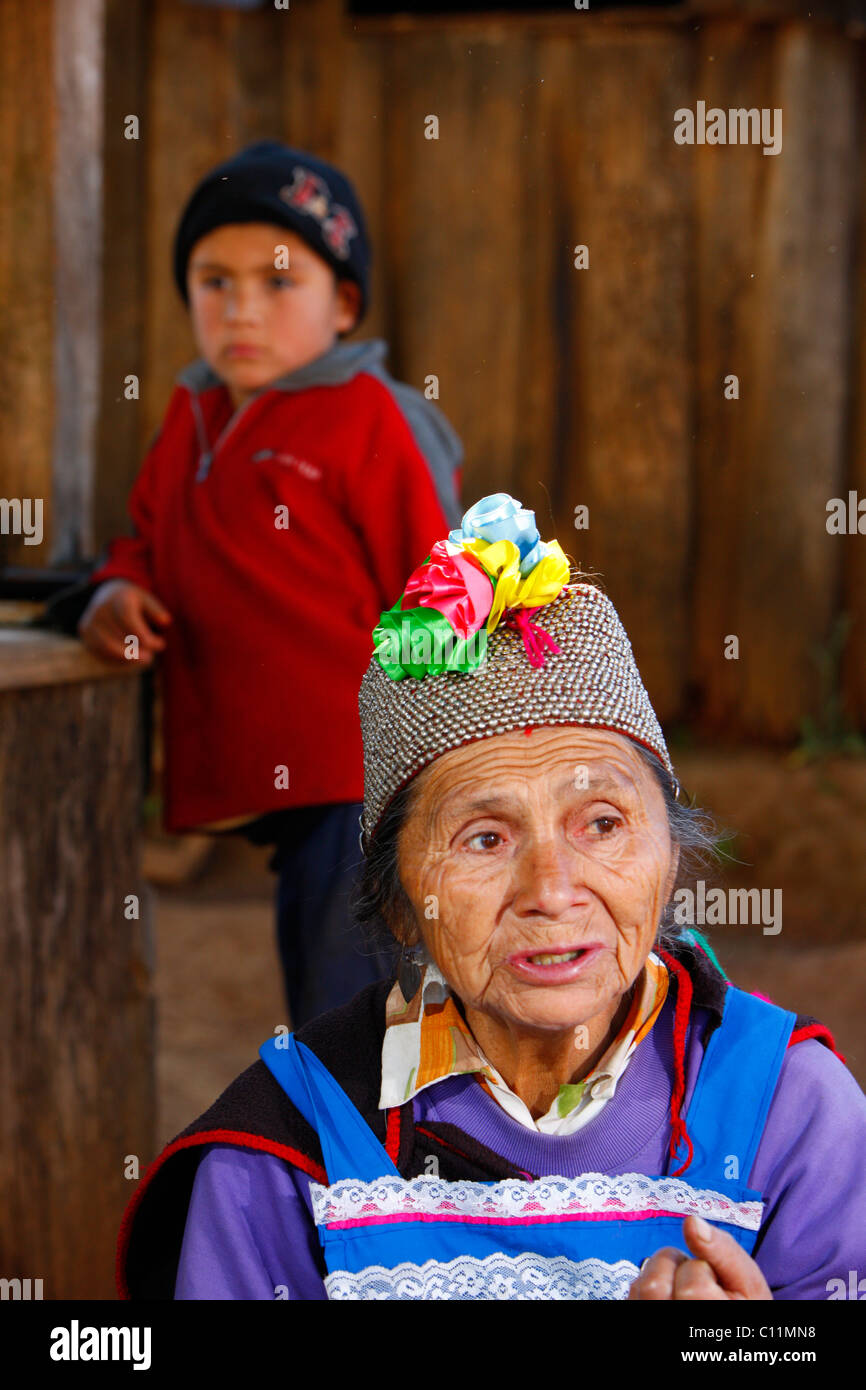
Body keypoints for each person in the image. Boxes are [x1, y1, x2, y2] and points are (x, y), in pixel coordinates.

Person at [116, 494, 866, 1300]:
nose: (551, 890)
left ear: (669, 855)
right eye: (484, 839)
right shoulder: (292, 1145)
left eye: (603, 824)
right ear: (399, 901)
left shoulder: (789, 1111)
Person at [75, 140, 462, 1028]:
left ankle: (390, 1163)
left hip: (363, 776)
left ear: (344, 304)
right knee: (323, 987)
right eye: (214, 280)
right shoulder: (193, 415)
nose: (241, 308)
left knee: (363, 1003)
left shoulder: (370, 417)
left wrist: (431, 765)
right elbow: (141, 539)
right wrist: (112, 594)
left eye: (279, 281)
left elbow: (442, 587)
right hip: (273, 780)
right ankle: (354, 1153)